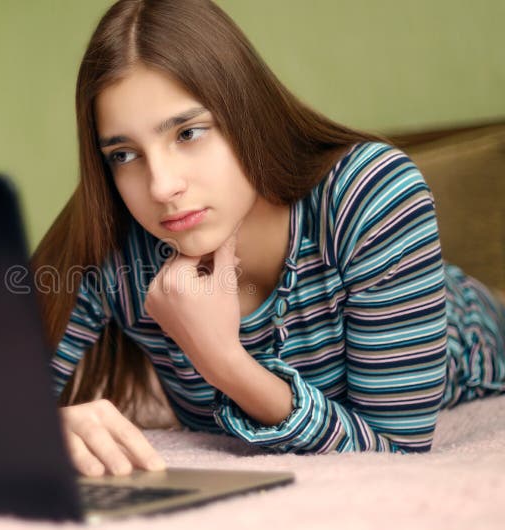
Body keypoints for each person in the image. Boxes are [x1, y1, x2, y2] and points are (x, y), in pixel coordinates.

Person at [29, 0, 505, 478]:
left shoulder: (371, 193)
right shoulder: (111, 241)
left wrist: (222, 361)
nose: (161, 187)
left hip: (473, 329)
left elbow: (394, 452)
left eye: (189, 132)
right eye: (124, 154)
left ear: (247, 112)